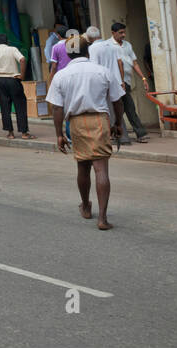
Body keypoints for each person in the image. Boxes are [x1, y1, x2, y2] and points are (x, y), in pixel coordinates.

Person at [46, 36, 125, 230]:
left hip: (76, 122)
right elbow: (117, 101)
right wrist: (118, 123)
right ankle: (103, 218)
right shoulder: (103, 71)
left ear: (68, 53)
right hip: (100, 120)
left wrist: (59, 134)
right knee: (101, 169)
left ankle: (86, 207)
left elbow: (57, 108)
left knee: (83, 168)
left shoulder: (61, 76)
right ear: (87, 52)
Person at [0, 33, 33, 139]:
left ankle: (10, 133)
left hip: (1, 81)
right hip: (13, 80)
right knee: (20, 106)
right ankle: (24, 133)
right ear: (7, 41)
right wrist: (22, 76)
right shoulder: (12, 49)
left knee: (5, 107)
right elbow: (22, 59)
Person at [111, 22, 151, 144]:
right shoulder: (108, 46)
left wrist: (143, 78)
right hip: (116, 82)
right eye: (120, 33)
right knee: (128, 107)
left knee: (124, 108)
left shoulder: (127, 45)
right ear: (113, 33)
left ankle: (116, 133)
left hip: (126, 81)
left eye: (124, 32)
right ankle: (139, 133)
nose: (123, 35)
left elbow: (134, 63)